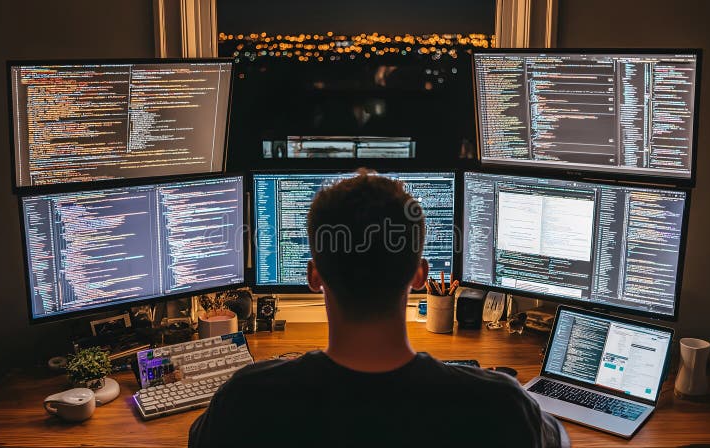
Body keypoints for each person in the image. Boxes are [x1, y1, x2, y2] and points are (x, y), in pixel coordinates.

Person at [189, 172, 568, 447]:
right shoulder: (500, 404)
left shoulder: (247, 399)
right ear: (420, 275)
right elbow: (557, 438)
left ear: (314, 276)